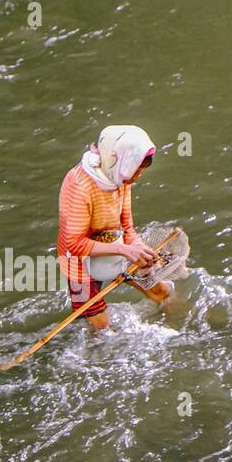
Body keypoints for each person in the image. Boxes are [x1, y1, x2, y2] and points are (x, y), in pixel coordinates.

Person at [56, 124, 173, 331]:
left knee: (162, 292)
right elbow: (73, 244)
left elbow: (126, 226)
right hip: (80, 262)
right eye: (135, 171)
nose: (136, 178)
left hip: (115, 245)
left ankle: (176, 322)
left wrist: (138, 249)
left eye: (139, 171)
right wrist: (125, 250)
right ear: (119, 160)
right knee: (101, 325)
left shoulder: (120, 177)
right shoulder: (79, 186)